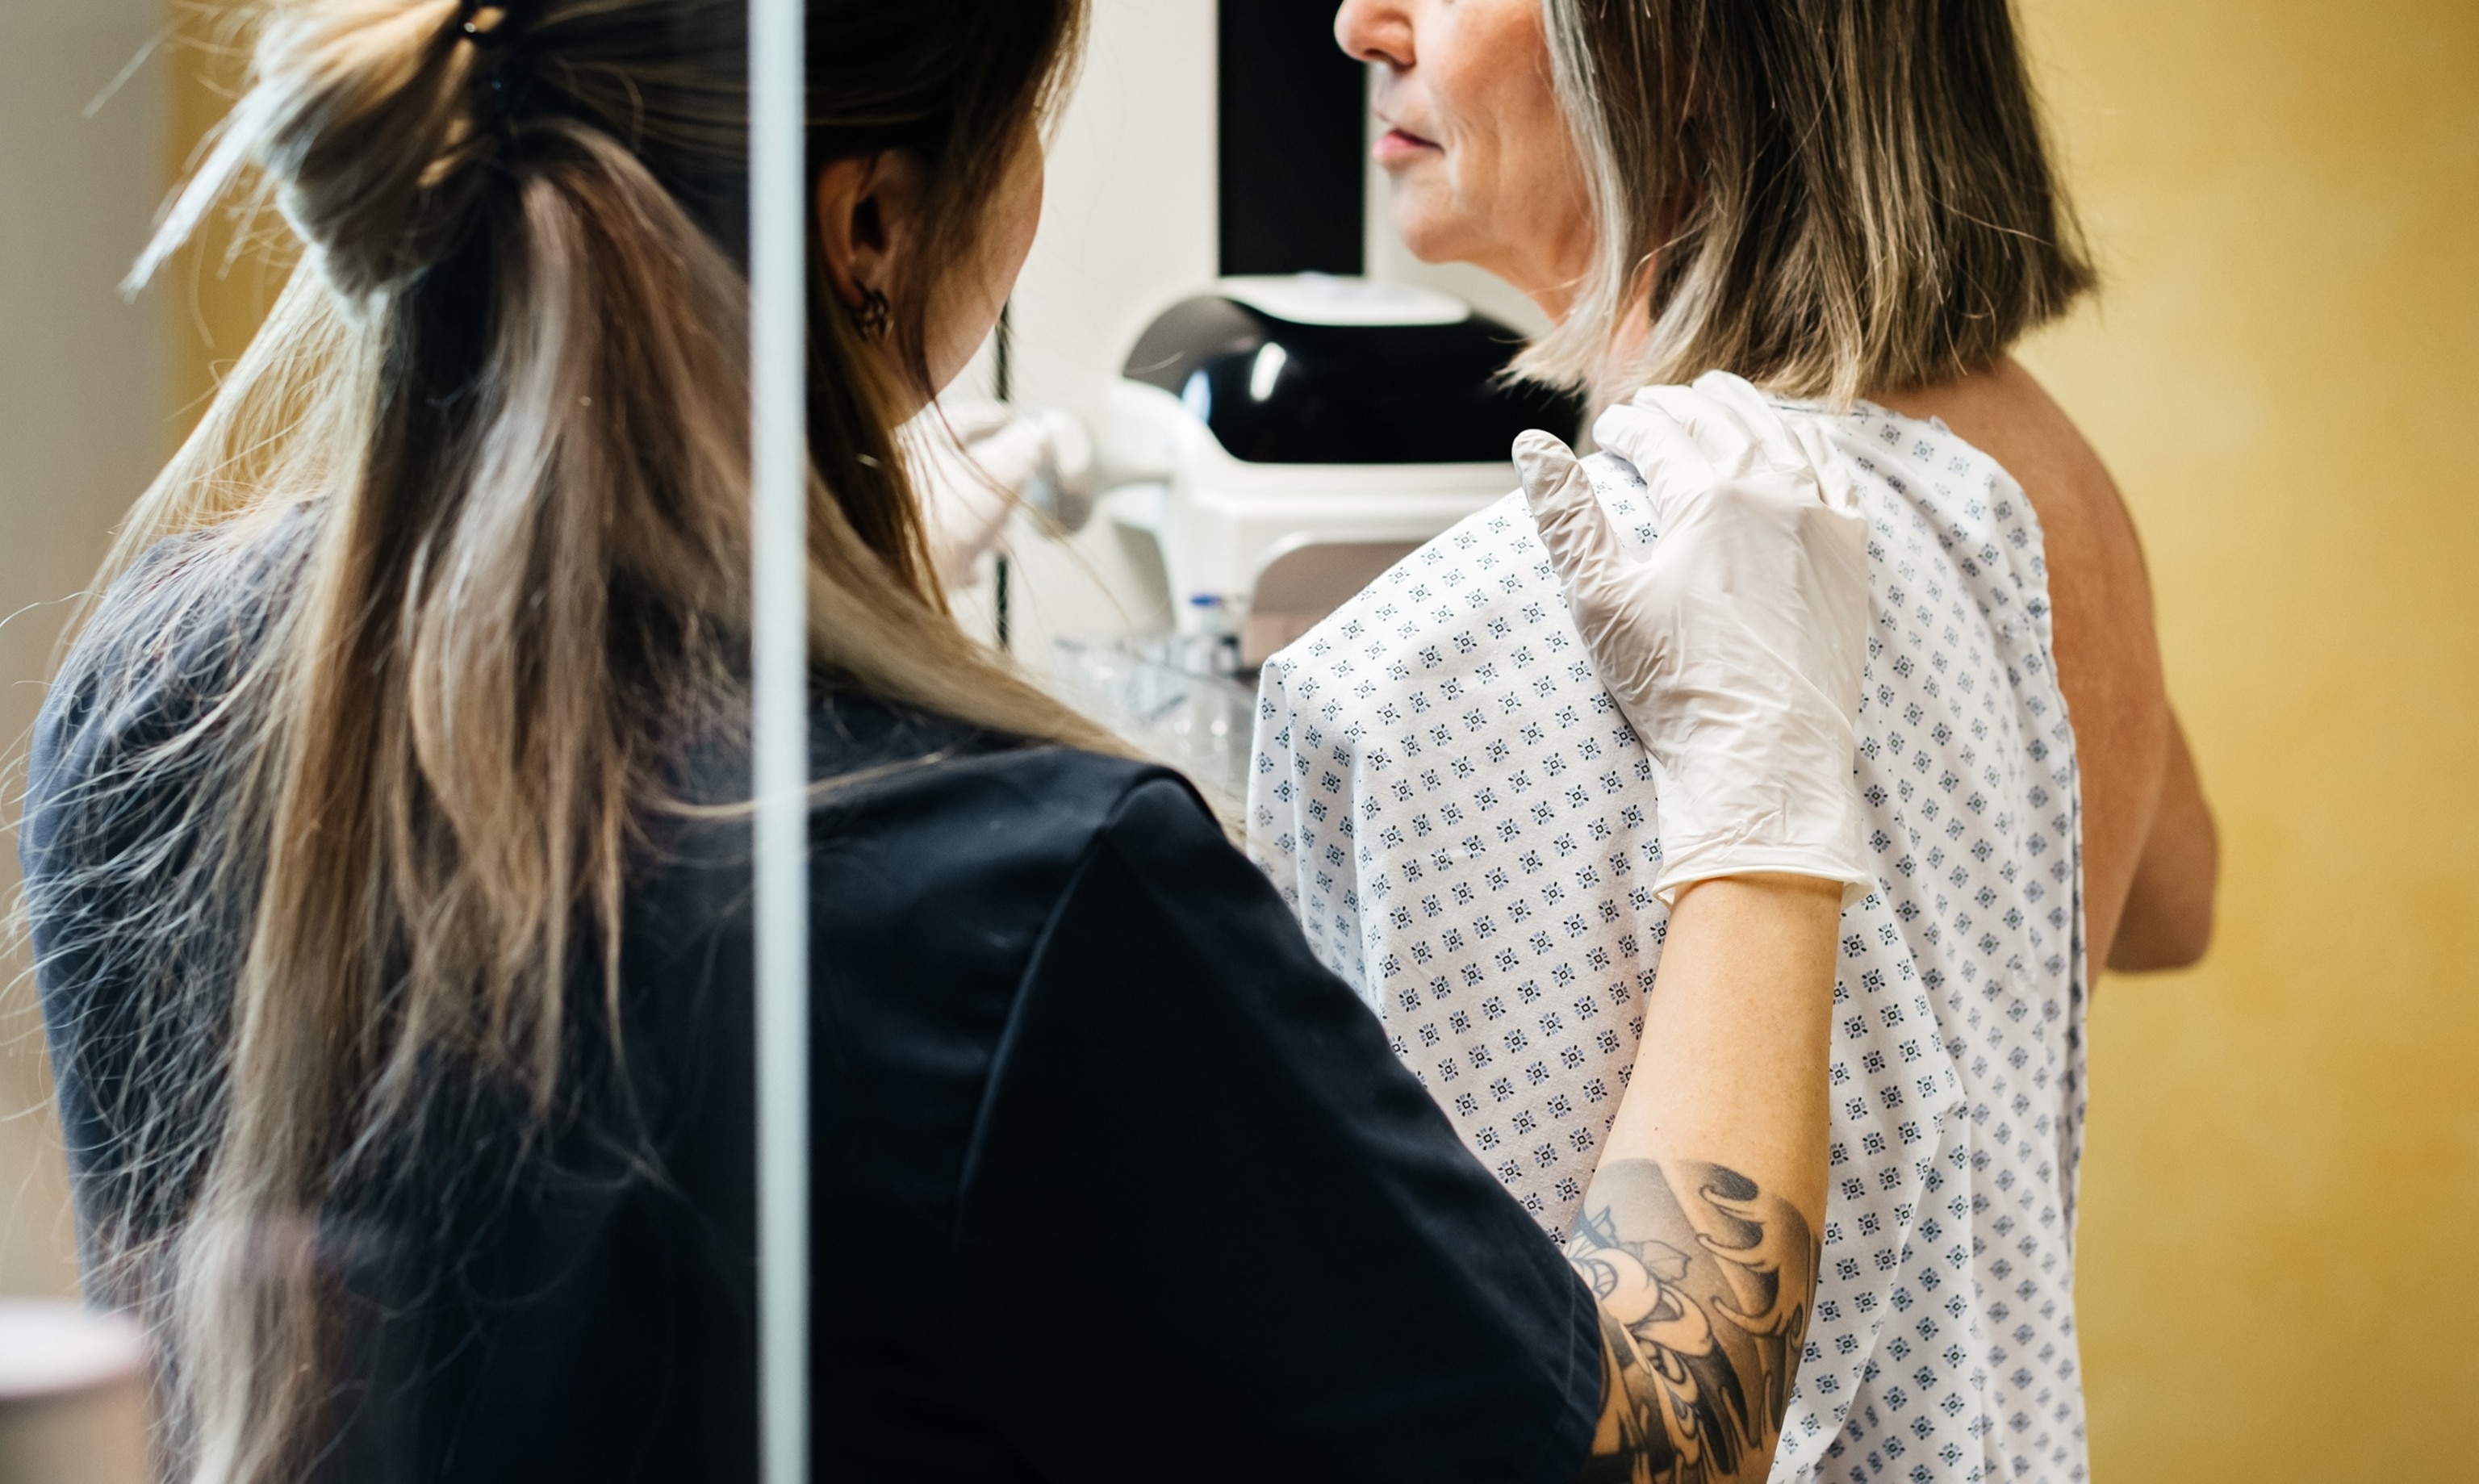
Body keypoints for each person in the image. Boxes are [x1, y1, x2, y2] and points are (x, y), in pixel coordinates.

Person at [23, 2, 1872, 1481]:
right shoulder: (1030, 901)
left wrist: (805, 564)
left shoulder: (145, 694)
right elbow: (1641, 1460)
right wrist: (1766, 798)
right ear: (875, 221)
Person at [1250, 3, 2221, 1482]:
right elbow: (2165, 903)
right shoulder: (2027, 481)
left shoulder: (1514, 634)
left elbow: (1541, 1427)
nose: (1361, 19)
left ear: (1690, 42)